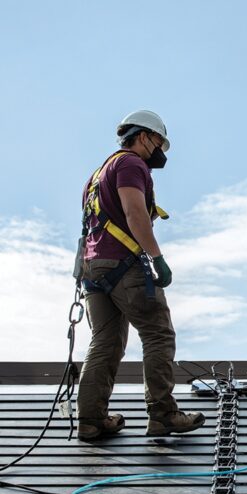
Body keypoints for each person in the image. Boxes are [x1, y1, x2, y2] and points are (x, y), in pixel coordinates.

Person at [76, 110, 205, 441]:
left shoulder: (97, 174)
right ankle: (162, 415)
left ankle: (90, 420)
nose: (158, 148)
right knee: (158, 333)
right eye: (158, 140)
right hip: (124, 265)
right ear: (143, 135)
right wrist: (157, 258)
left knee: (105, 342)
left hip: (94, 269)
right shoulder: (132, 164)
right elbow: (135, 213)